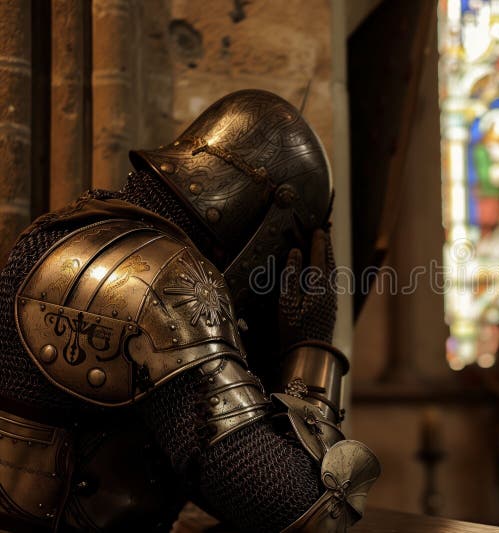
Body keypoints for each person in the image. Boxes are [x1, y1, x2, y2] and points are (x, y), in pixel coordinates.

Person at [0, 89, 378, 532]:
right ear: (272, 220)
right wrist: (311, 346)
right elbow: (313, 515)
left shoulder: (62, 231)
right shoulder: (170, 284)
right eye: (292, 245)